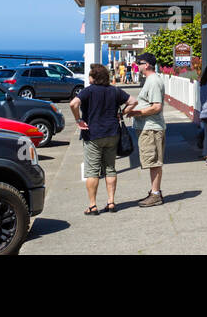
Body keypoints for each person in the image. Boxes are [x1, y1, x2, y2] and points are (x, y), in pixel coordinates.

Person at [70, 63, 130, 215]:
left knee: (92, 171)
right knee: (110, 168)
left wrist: (78, 120)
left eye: (90, 75)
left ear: (93, 77)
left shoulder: (88, 91)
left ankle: (92, 205)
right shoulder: (114, 91)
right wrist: (122, 113)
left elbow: (73, 103)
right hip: (112, 134)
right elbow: (133, 101)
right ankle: (111, 202)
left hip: (93, 135)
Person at [125, 51, 167, 207]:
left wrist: (137, 112)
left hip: (151, 128)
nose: (137, 66)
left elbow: (156, 107)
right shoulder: (150, 80)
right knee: (152, 161)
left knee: (154, 161)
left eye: (139, 63)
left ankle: (155, 194)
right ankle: (154, 191)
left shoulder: (154, 81)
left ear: (147, 64)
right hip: (148, 127)